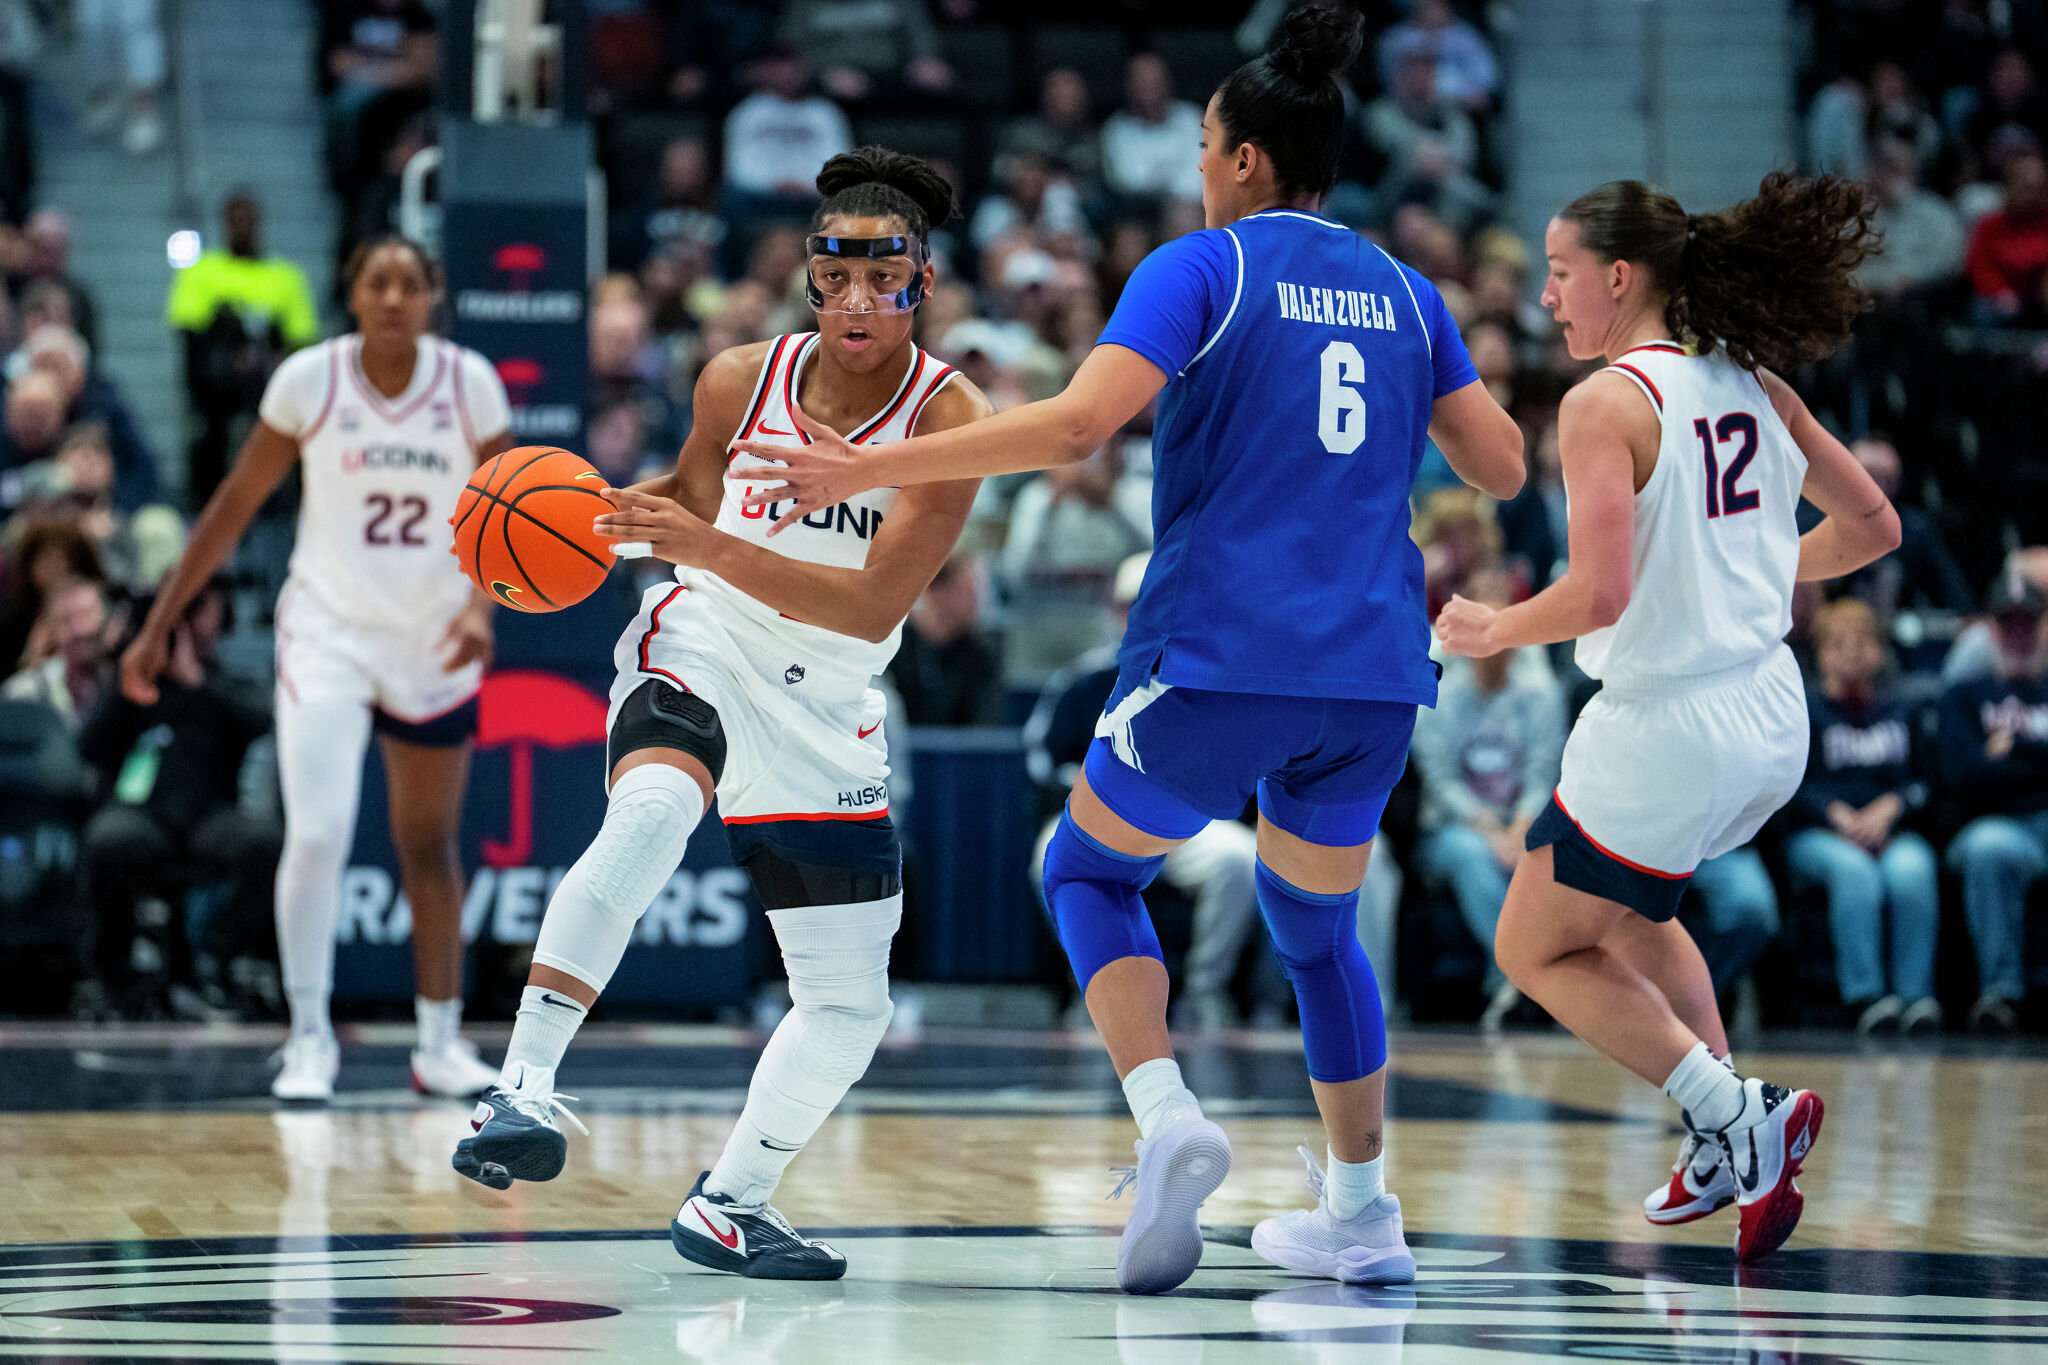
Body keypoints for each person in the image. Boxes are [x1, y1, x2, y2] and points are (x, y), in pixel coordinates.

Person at [730, 4, 1524, 1294]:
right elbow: (1496, 466)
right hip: (1374, 674)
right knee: (1314, 929)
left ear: (1249, 161)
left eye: (1208, 144)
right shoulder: (1406, 288)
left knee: (1086, 874)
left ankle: (1168, 1121)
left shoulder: (1201, 267)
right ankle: (1363, 1216)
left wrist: (865, 460)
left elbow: (1073, 430)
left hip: (1221, 657)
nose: (1198, 166)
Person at [449, 148, 993, 1284]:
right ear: (806, 279)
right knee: (650, 811)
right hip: (698, 637)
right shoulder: (735, 379)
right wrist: (594, 520)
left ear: (921, 283)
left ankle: (731, 1204)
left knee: (849, 1006)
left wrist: (700, 539)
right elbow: (686, 509)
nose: (855, 300)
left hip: (829, 698)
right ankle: (521, 1089)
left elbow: (869, 607)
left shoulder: (949, 419)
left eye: (881, 277)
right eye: (832, 275)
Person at [1433, 172, 1899, 1260]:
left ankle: (1742, 1116)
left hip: (1665, 727)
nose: (1546, 297)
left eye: (1556, 273)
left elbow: (1597, 596)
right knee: (1636, 917)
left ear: (1616, 275)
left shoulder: (1604, 403)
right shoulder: (1752, 380)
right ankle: (1716, 1136)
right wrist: (1745, 570)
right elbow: (1872, 527)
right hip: (1768, 716)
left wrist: (1495, 630)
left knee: (1532, 948)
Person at [118, 235, 513, 1102]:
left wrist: (484, 610)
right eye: (379, 282)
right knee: (319, 833)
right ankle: (307, 1037)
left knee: (429, 846)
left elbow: (506, 515)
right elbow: (231, 510)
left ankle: (440, 1042)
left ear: (434, 296)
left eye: (412, 283)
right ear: (353, 293)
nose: (395, 297)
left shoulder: (469, 385)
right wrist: (159, 622)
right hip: (327, 631)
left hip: (433, 634)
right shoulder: (310, 380)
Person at [1412, 567, 1565, 1032]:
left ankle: (1521, 986)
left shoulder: (1540, 694)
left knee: (1554, 859)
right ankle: (1519, 975)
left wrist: (1519, 828)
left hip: (1523, 822)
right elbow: (1440, 783)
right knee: (1472, 857)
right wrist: (1490, 829)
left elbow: (1543, 775)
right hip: (1452, 829)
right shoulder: (1438, 692)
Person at [1785, 599, 1941, 1034]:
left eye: (1864, 642)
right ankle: (1866, 998)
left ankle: (1915, 998)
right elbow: (1787, 784)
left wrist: (1893, 806)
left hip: (1890, 831)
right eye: (1839, 644)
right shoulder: (1805, 709)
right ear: (1822, 654)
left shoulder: (1902, 707)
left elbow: (1928, 780)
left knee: (1913, 870)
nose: (1853, 652)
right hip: (1820, 833)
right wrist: (1837, 815)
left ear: (1879, 650)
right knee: (1854, 872)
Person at [1940, 572, 2048, 1035]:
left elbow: (1989, 770)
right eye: (2010, 624)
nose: (2019, 634)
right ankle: (2001, 994)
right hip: (1995, 823)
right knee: (1991, 849)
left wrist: (2014, 752)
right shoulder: (1964, 695)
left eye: (2030, 623)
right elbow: (1963, 777)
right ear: (1992, 630)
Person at [165, 189, 320, 510]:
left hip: (269, 385)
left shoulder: (286, 277)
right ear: (225, 224)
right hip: (216, 392)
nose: (242, 227)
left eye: (248, 220)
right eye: (235, 220)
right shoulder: (201, 271)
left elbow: (300, 343)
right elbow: (190, 340)